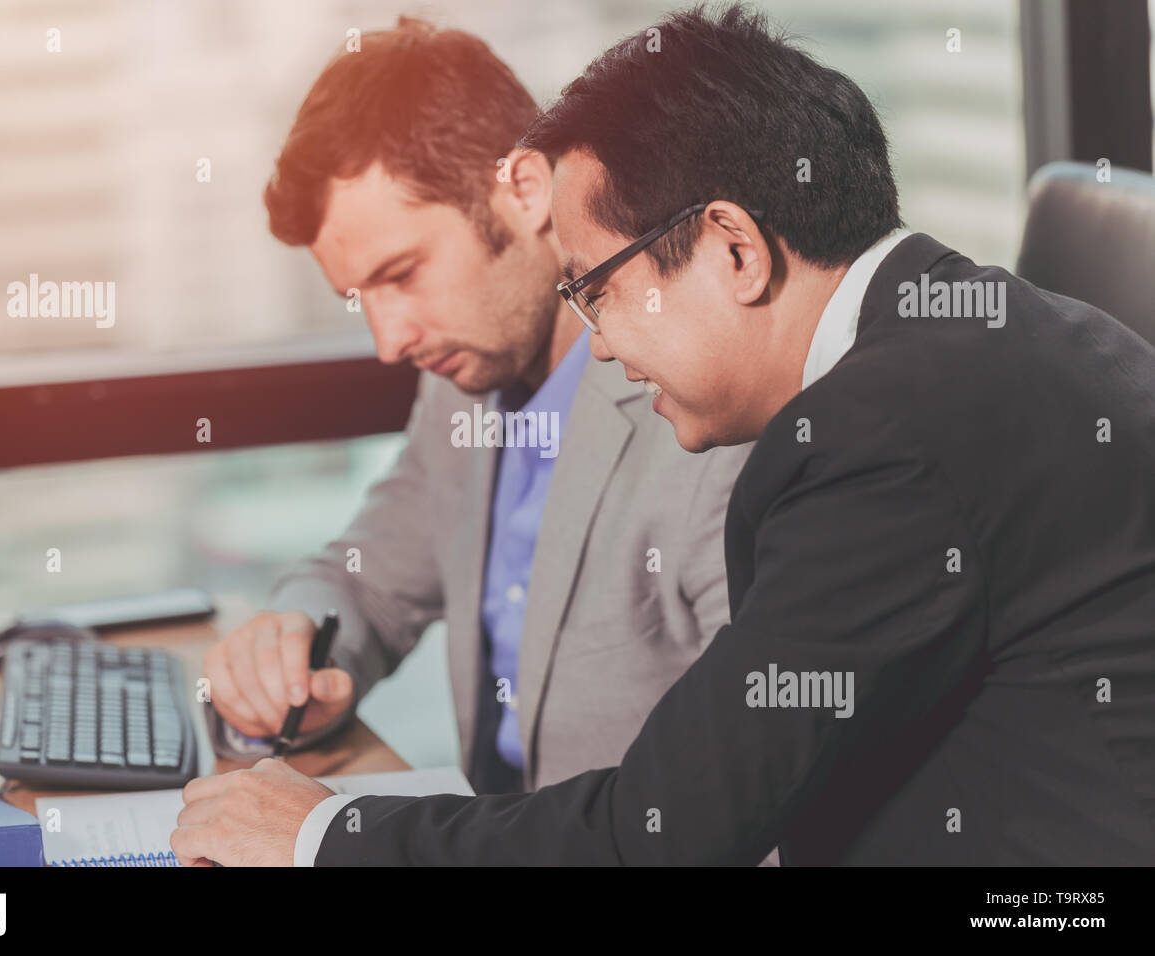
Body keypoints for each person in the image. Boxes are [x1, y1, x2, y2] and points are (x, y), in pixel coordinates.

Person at [173, 3, 1155, 866]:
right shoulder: (971, 334)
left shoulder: (882, 442)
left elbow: (669, 827)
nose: (600, 347)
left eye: (598, 290)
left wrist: (315, 837)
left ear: (734, 247)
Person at [190, 16, 753, 854]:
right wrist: (291, 638)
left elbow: (748, 801)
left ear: (523, 191)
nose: (390, 341)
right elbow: (371, 577)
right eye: (361, 298)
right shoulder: (466, 382)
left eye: (402, 276)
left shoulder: (707, 412)